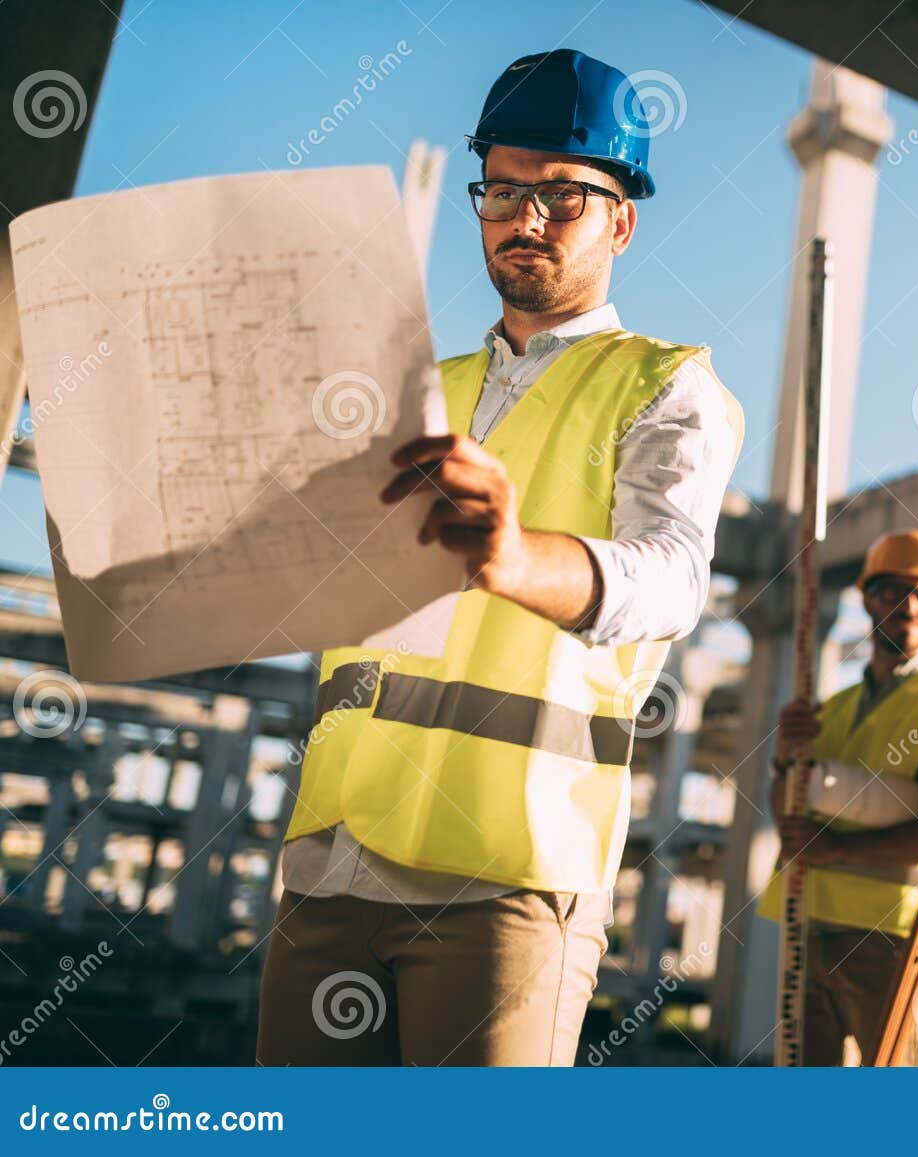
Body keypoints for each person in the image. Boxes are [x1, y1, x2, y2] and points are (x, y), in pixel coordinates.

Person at [256, 48, 743, 1066]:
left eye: (563, 196)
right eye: (505, 191)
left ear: (622, 219)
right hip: (329, 865)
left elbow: (669, 578)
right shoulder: (417, 383)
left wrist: (516, 556)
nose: (525, 219)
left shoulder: (667, 388)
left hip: (502, 879)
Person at [758, 530, 918, 1065]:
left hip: (895, 937)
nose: (910, 606)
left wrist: (836, 850)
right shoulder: (829, 710)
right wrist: (786, 755)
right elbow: (788, 812)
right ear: (866, 601)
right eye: (892, 593)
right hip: (809, 924)